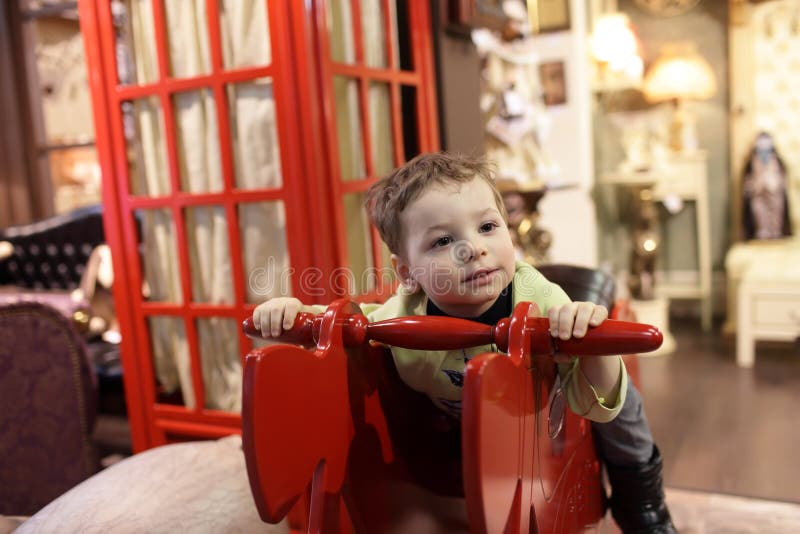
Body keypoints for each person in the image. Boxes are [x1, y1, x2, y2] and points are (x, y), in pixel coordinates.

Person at [253, 152, 675, 533]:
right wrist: (290, 320)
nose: (473, 249)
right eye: (442, 241)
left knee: (626, 405)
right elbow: (341, 339)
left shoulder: (545, 301)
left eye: (488, 227)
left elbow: (593, 404)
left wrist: (591, 341)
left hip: (552, 409)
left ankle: (642, 499)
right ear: (408, 274)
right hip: (468, 430)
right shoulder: (402, 317)